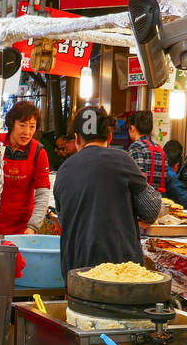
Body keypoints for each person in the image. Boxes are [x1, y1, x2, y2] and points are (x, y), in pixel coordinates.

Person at [54, 105, 162, 278]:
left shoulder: (64, 170)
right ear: (109, 136)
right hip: (119, 271)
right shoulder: (123, 160)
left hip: (75, 270)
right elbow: (151, 210)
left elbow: (63, 217)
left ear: (77, 139)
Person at [0, 100, 51, 236]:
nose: (27, 132)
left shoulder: (38, 152)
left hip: (22, 230)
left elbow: (42, 194)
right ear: (12, 124)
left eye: (32, 126)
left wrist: (33, 226)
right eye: (22, 125)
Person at [127, 111, 187, 209]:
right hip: (156, 207)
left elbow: (138, 181)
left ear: (132, 128)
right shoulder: (159, 150)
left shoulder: (136, 148)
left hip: (139, 208)